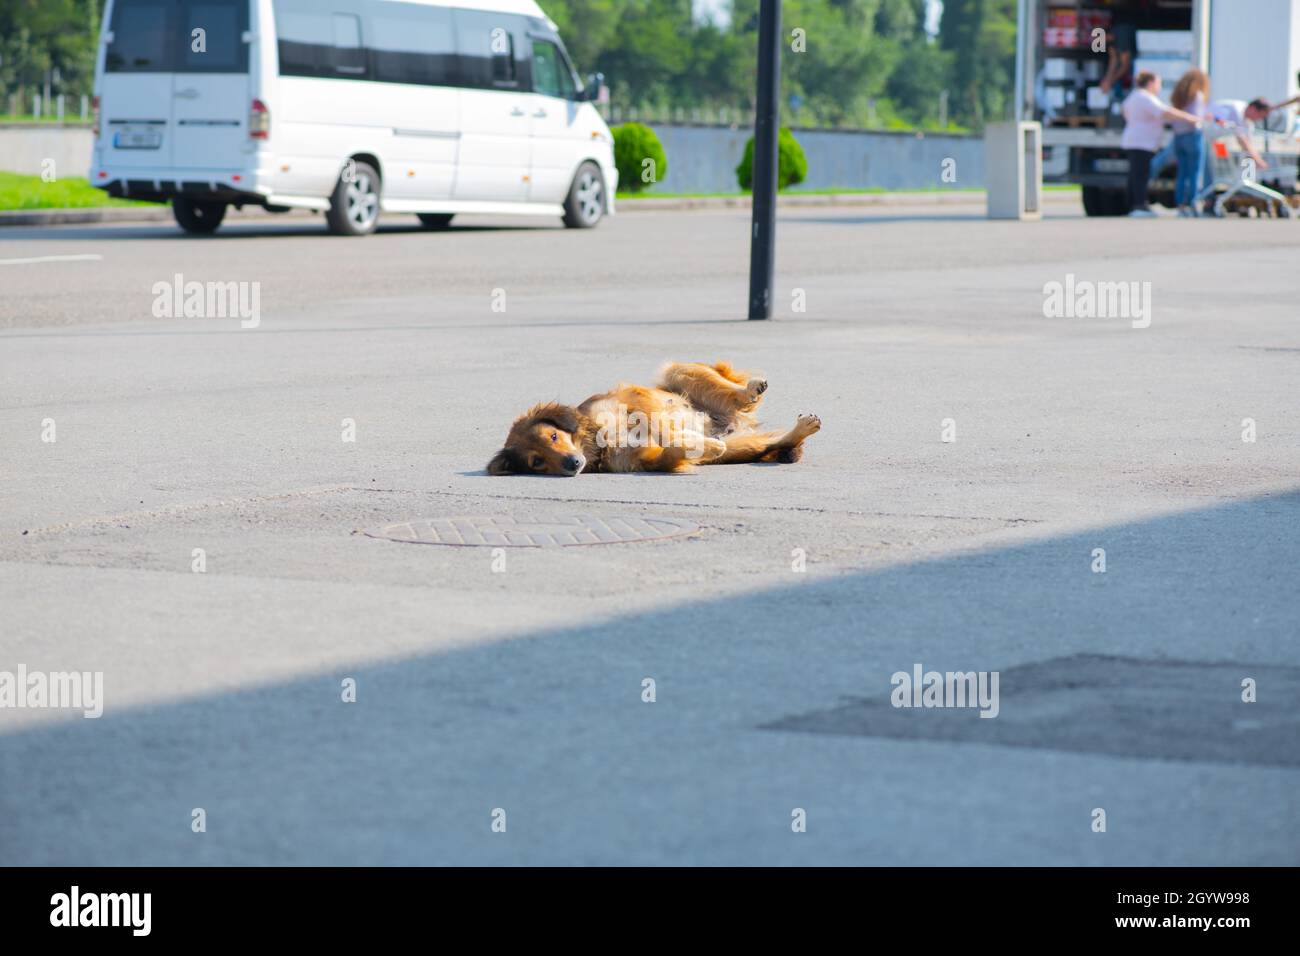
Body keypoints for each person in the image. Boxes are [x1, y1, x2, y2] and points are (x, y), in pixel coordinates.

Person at [1122, 72, 1202, 218]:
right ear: (1151, 82)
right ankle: (1139, 205)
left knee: (1136, 175)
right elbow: (1166, 111)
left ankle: (1135, 205)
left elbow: (1125, 111)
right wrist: (1190, 118)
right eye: (1158, 83)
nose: (1159, 87)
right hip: (1142, 142)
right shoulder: (1145, 98)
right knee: (1141, 175)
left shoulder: (1134, 96)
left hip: (1135, 140)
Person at [1168, 69, 1210, 216]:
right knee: (1195, 173)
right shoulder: (1197, 96)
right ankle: (1193, 203)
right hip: (1193, 136)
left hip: (1178, 137)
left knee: (1182, 173)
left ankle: (1180, 204)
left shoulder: (1177, 96)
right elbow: (1197, 119)